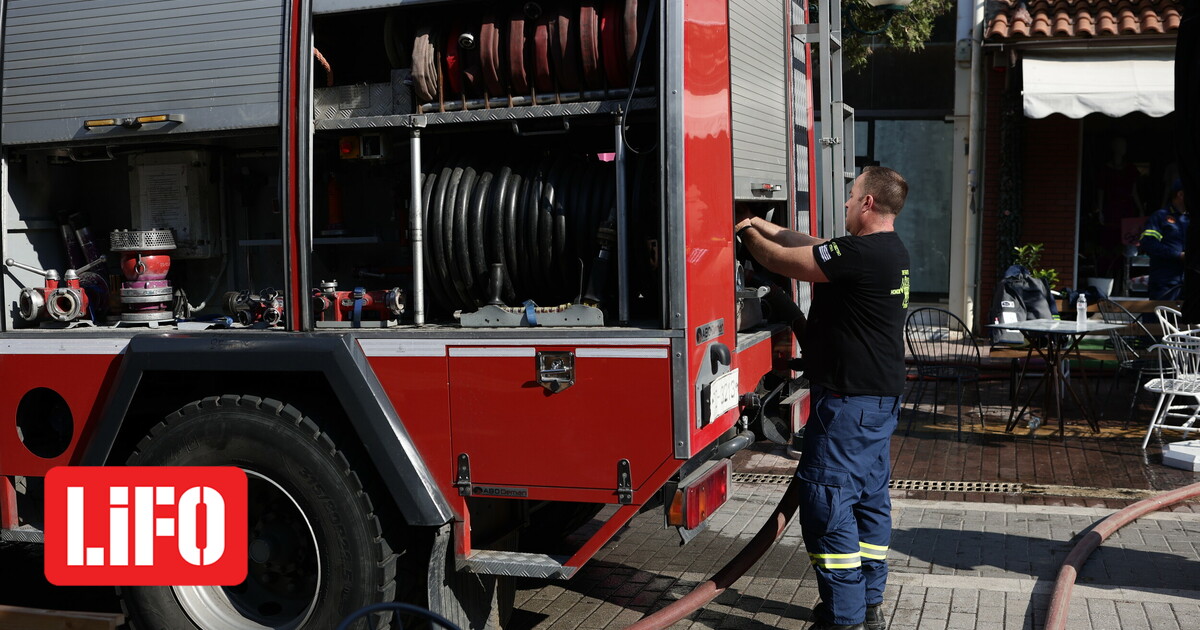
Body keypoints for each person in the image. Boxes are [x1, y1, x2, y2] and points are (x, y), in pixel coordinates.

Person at [734, 166, 910, 630]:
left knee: (826, 502)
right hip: (876, 403)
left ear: (869, 203)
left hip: (851, 406)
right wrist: (761, 222)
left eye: (852, 198)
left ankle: (843, 617)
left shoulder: (861, 253)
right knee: (868, 500)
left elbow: (786, 261)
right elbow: (806, 242)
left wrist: (743, 234)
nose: (848, 205)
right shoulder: (888, 250)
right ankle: (869, 605)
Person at [1139, 179, 1188, 300]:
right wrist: (1177, 255)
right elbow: (1147, 243)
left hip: (1190, 284)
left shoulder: (1193, 219)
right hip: (1165, 283)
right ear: (1180, 194)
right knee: (1159, 318)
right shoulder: (1160, 217)